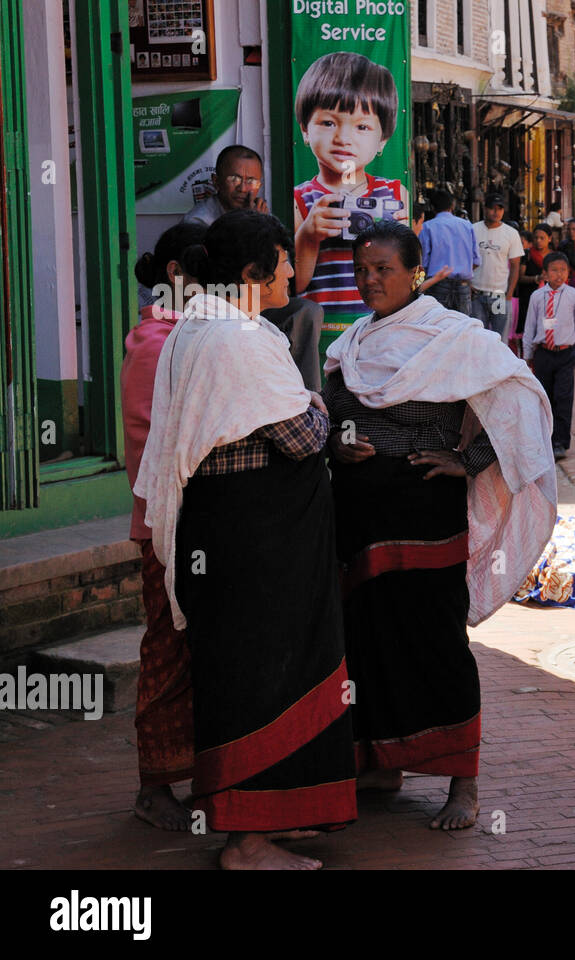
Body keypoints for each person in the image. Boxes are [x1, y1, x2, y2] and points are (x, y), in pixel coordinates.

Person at [134, 210, 357, 869]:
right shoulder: (237, 338)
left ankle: (271, 819)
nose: (294, 269)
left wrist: (306, 406)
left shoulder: (206, 326)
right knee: (265, 675)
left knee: (252, 671)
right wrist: (316, 407)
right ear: (255, 273)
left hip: (238, 531)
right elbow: (301, 434)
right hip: (255, 538)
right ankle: (248, 840)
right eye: (285, 260)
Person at [324, 220, 556, 830]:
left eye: (384, 270)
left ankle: (464, 784)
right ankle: (380, 763)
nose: (370, 280)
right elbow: (335, 417)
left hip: (426, 518)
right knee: (366, 643)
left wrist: (469, 460)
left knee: (437, 643)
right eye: (363, 269)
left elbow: (522, 406)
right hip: (360, 518)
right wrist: (340, 443)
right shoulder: (350, 343)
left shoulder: (456, 339)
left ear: (415, 274)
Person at [122, 221, 206, 832]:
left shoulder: (187, 333)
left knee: (195, 649)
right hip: (167, 524)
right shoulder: (158, 342)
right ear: (177, 275)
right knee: (167, 648)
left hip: (191, 520)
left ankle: (198, 774)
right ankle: (155, 786)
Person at [182, 144, 324, 389]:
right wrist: (250, 228)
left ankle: (308, 395)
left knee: (307, 312)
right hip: (221, 306)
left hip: (257, 301)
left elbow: (281, 274)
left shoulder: (261, 216)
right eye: (235, 178)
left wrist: (260, 224)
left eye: (252, 181)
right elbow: (213, 278)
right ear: (216, 181)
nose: (244, 188)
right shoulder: (198, 219)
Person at [292, 52, 411, 343]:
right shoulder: (300, 200)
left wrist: (401, 241)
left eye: (362, 126)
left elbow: (409, 279)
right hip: (321, 333)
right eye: (329, 123)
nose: (344, 138)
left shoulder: (396, 195)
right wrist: (308, 236)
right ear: (305, 129)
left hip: (381, 330)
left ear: (383, 139)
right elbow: (295, 285)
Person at [523, 252, 575, 460]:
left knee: (563, 397)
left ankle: (560, 442)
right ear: (545, 274)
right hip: (543, 354)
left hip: (565, 353)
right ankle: (543, 439)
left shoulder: (574, 296)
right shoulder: (537, 296)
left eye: (563, 270)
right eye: (554, 270)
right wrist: (528, 354)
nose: (559, 275)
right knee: (544, 397)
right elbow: (530, 326)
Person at [470, 192, 525, 341]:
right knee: (477, 339)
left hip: (499, 295)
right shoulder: (473, 229)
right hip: (476, 294)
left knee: (499, 340)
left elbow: (515, 266)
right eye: (493, 208)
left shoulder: (511, 233)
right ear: (485, 208)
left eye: (499, 208)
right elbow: (465, 259)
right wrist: (468, 284)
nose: (496, 212)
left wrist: (508, 295)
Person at [418, 187, 478, 315]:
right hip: (462, 284)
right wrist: (462, 270)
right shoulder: (467, 225)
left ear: (433, 208)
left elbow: (423, 262)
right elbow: (477, 260)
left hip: (437, 284)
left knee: (439, 326)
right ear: (452, 205)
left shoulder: (427, 227)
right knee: (463, 327)